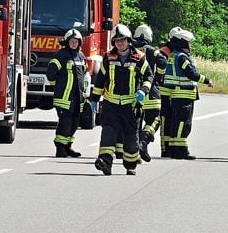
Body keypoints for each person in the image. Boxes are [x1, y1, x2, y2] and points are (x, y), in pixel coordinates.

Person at [90, 24, 153, 176]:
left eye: (122, 40)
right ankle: (105, 162)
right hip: (111, 103)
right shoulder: (108, 57)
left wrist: (143, 91)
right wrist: (94, 99)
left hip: (131, 104)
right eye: (117, 41)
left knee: (131, 137)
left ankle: (130, 164)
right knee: (108, 133)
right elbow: (101, 79)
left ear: (128, 40)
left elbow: (149, 76)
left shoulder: (139, 57)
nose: (120, 43)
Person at [160, 26, 213, 160]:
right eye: (189, 43)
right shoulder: (182, 57)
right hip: (183, 95)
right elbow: (191, 74)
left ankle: (171, 149)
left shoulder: (172, 56)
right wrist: (207, 80)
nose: (190, 46)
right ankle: (180, 150)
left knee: (175, 122)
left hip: (176, 94)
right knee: (183, 123)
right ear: (183, 42)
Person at [47, 28, 88, 157]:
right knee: (65, 123)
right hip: (64, 97)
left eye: (76, 41)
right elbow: (50, 74)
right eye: (72, 41)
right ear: (67, 41)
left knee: (75, 123)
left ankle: (68, 146)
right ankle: (60, 148)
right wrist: (58, 87)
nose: (74, 43)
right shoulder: (61, 55)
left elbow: (85, 73)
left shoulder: (81, 56)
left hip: (77, 97)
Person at [133, 24, 167, 162]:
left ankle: (134, 153)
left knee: (135, 123)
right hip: (151, 92)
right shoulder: (153, 51)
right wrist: (159, 77)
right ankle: (144, 141)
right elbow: (163, 61)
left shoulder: (130, 50)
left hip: (135, 91)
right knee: (154, 120)